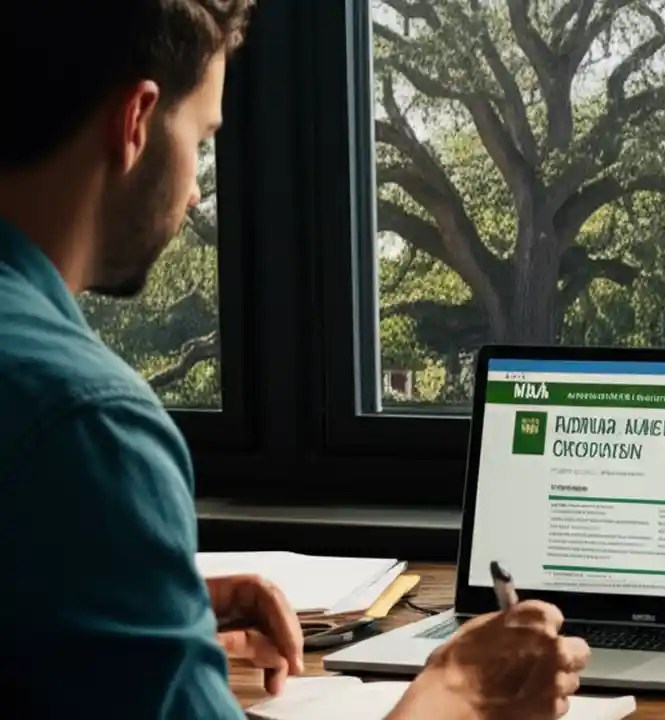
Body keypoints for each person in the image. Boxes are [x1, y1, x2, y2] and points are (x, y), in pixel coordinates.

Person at [0, 2, 587, 718]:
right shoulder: (87, 429)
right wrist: (459, 693)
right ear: (137, 121)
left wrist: (146, 597)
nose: (194, 188)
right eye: (203, 137)